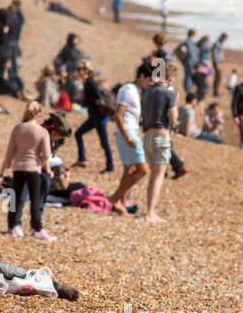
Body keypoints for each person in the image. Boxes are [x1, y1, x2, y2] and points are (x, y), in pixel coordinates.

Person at [0, 101, 54, 240]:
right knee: (35, 199)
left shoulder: (18, 129)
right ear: (39, 114)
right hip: (33, 167)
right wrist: (42, 163)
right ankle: (36, 228)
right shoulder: (42, 131)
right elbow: (46, 154)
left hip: (18, 166)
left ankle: (12, 227)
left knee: (15, 198)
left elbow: (10, 151)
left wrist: (5, 168)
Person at [108, 64, 154, 215]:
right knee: (142, 170)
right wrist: (128, 137)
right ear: (142, 76)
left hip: (130, 131)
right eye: (150, 80)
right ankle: (115, 198)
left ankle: (121, 203)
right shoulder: (128, 90)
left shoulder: (134, 90)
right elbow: (118, 115)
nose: (151, 84)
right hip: (127, 132)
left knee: (130, 170)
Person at [141, 63, 178, 224]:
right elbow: (174, 119)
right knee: (158, 176)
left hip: (147, 136)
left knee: (151, 175)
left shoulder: (148, 92)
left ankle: (149, 210)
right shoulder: (168, 93)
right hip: (161, 135)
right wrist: (176, 100)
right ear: (169, 79)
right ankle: (150, 213)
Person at [73, 62, 115, 173]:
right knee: (78, 134)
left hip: (99, 117)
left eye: (80, 68)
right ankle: (82, 159)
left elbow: (97, 97)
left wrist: (85, 100)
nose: (78, 71)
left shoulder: (90, 81)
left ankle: (110, 167)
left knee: (104, 142)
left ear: (87, 70)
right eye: (77, 69)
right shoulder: (87, 82)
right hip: (94, 117)